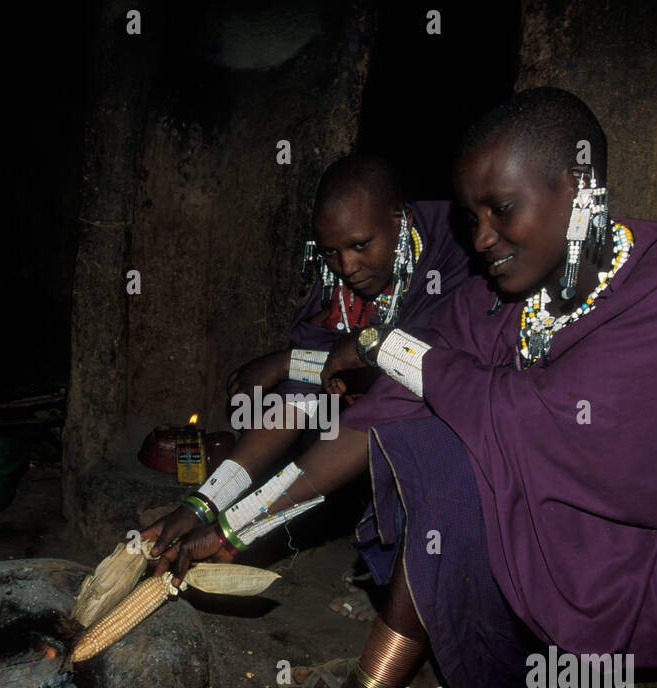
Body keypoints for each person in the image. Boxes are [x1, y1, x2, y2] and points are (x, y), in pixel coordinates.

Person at [164, 87, 657, 688]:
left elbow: (543, 420)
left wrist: (400, 352)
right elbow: (378, 411)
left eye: (500, 209)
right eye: (472, 216)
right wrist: (231, 523)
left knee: (458, 446)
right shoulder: (497, 301)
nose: (480, 239)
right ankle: (414, 675)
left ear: (576, 186)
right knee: (422, 425)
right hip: (537, 542)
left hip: (638, 569)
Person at [141, 153, 471, 620]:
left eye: (360, 245)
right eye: (332, 251)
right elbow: (299, 398)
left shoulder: (455, 258)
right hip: (369, 423)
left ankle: (410, 629)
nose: (347, 266)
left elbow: (407, 380)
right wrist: (201, 505)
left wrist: (234, 529)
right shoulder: (339, 282)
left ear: (400, 217)